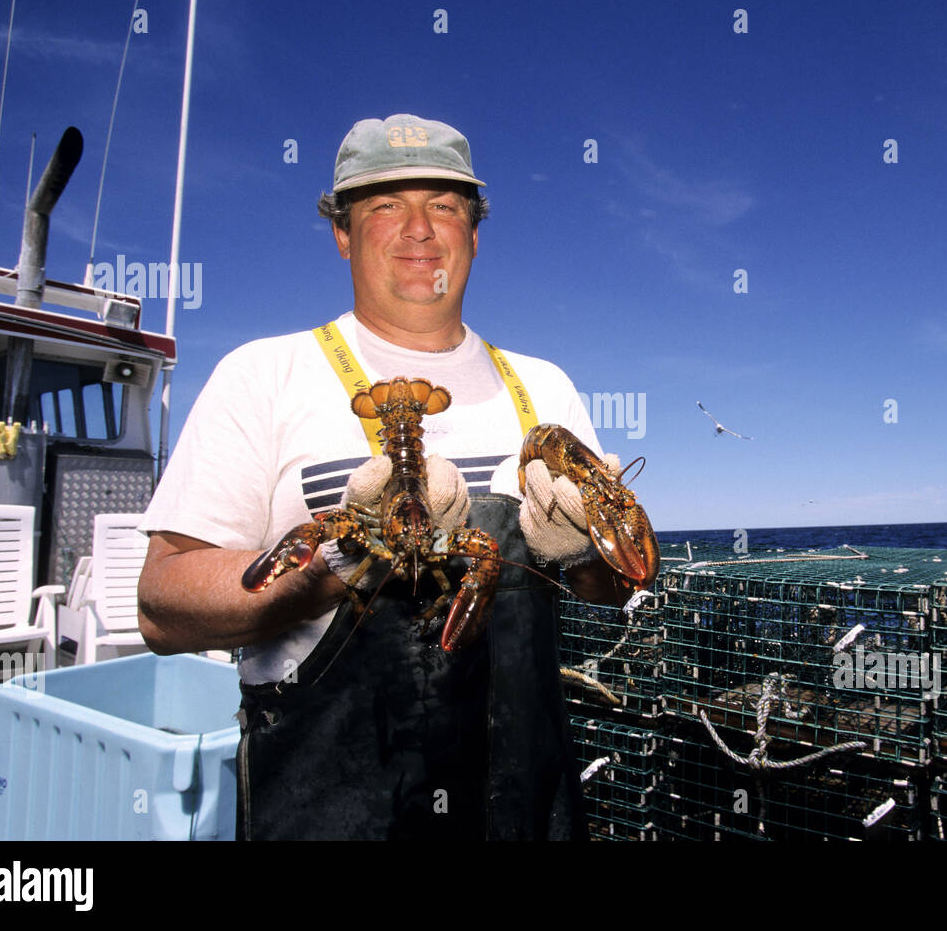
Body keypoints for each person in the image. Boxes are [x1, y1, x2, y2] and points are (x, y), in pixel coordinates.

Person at [137, 114, 634, 840]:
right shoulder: (263, 375)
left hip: (523, 797)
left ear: (474, 230)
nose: (419, 229)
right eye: (384, 207)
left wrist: (580, 552)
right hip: (330, 798)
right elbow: (161, 608)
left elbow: (611, 589)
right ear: (342, 233)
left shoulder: (544, 388)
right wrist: (344, 561)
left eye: (444, 205)